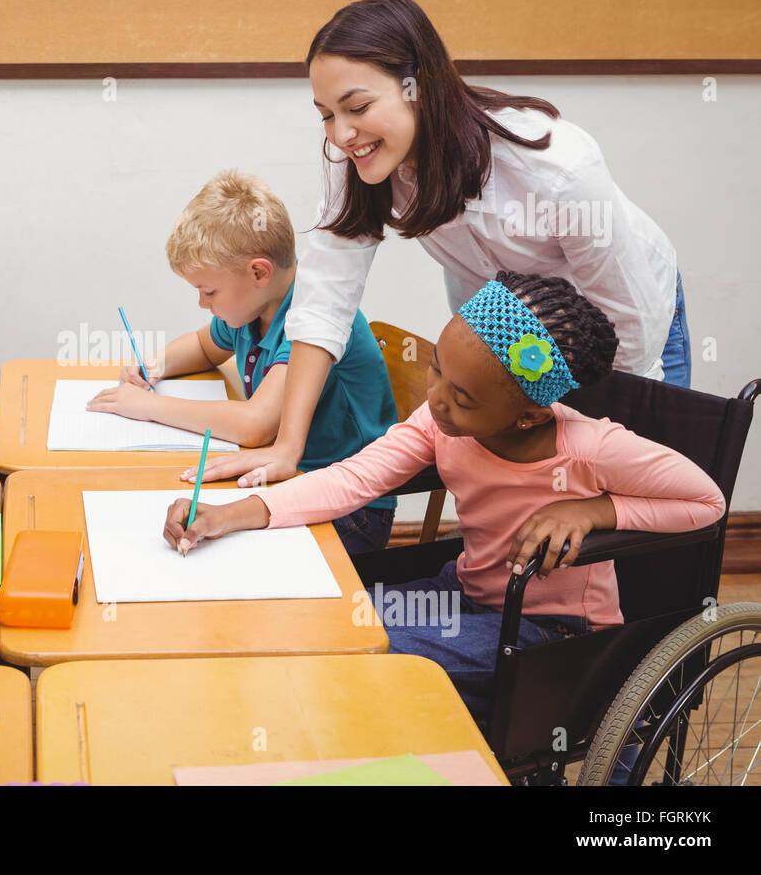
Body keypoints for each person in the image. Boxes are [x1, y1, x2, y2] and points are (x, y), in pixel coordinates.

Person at [163, 272, 724, 721]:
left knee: (358, 650)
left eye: (462, 396)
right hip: (468, 591)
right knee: (322, 618)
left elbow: (706, 502)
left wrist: (595, 509)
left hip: (551, 631)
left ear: (528, 413)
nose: (436, 401)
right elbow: (354, 478)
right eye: (436, 371)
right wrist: (228, 515)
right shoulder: (439, 423)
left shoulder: (591, 448)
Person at [196, 0, 688, 488]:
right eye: (326, 114)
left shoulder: (558, 170)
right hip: (509, 330)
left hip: (623, 323)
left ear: (420, 86)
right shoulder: (362, 162)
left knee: (622, 496)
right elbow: (323, 302)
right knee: (525, 494)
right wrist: (287, 449)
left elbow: (632, 336)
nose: (342, 134)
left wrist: (608, 453)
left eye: (358, 107)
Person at [88, 170, 398, 554]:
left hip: (353, 510)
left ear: (258, 272)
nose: (203, 303)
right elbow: (204, 346)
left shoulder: (312, 318)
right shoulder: (253, 308)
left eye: (209, 291)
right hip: (288, 485)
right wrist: (156, 365)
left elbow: (255, 426)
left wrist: (150, 406)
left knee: (212, 548)